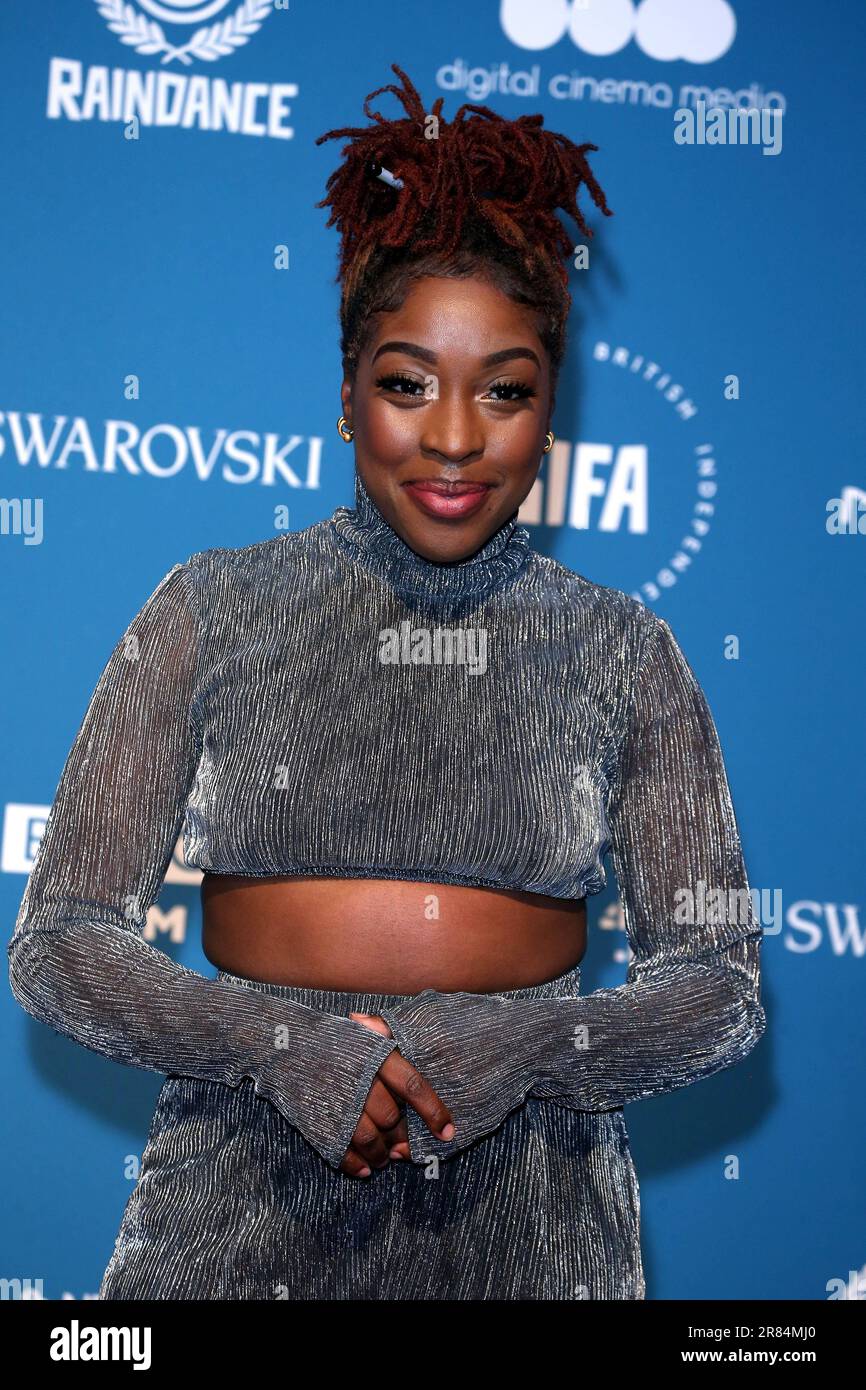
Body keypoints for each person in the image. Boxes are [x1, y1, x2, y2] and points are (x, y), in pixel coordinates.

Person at [7, 64, 766, 1301]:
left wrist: (522, 1043)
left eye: (505, 391)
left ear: (549, 410)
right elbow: (60, 943)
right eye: (408, 382)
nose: (455, 437)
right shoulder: (210, 607)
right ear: (347, 389)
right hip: (234, 1204)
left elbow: (719, 993)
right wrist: (278, 1048)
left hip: (534, 1219)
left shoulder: (626, 651)